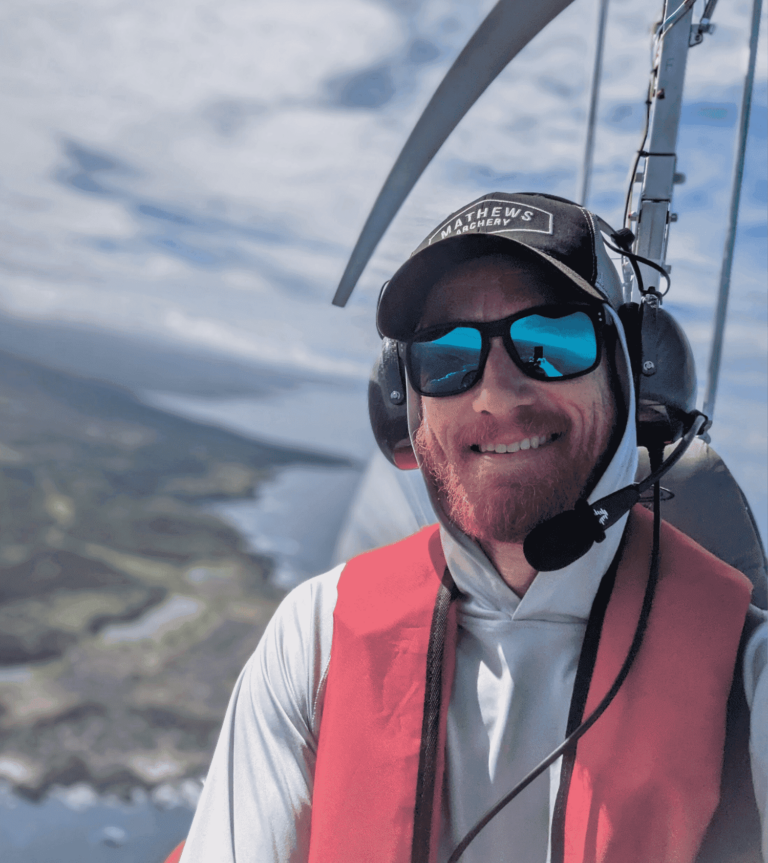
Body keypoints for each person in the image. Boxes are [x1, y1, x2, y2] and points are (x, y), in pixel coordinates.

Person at [177, 192, 767, 863]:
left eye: (551, 340)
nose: (494, 394)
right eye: (448, 357)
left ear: (634, 373)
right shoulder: (314, 640)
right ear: (404, 407)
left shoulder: (749, 677)